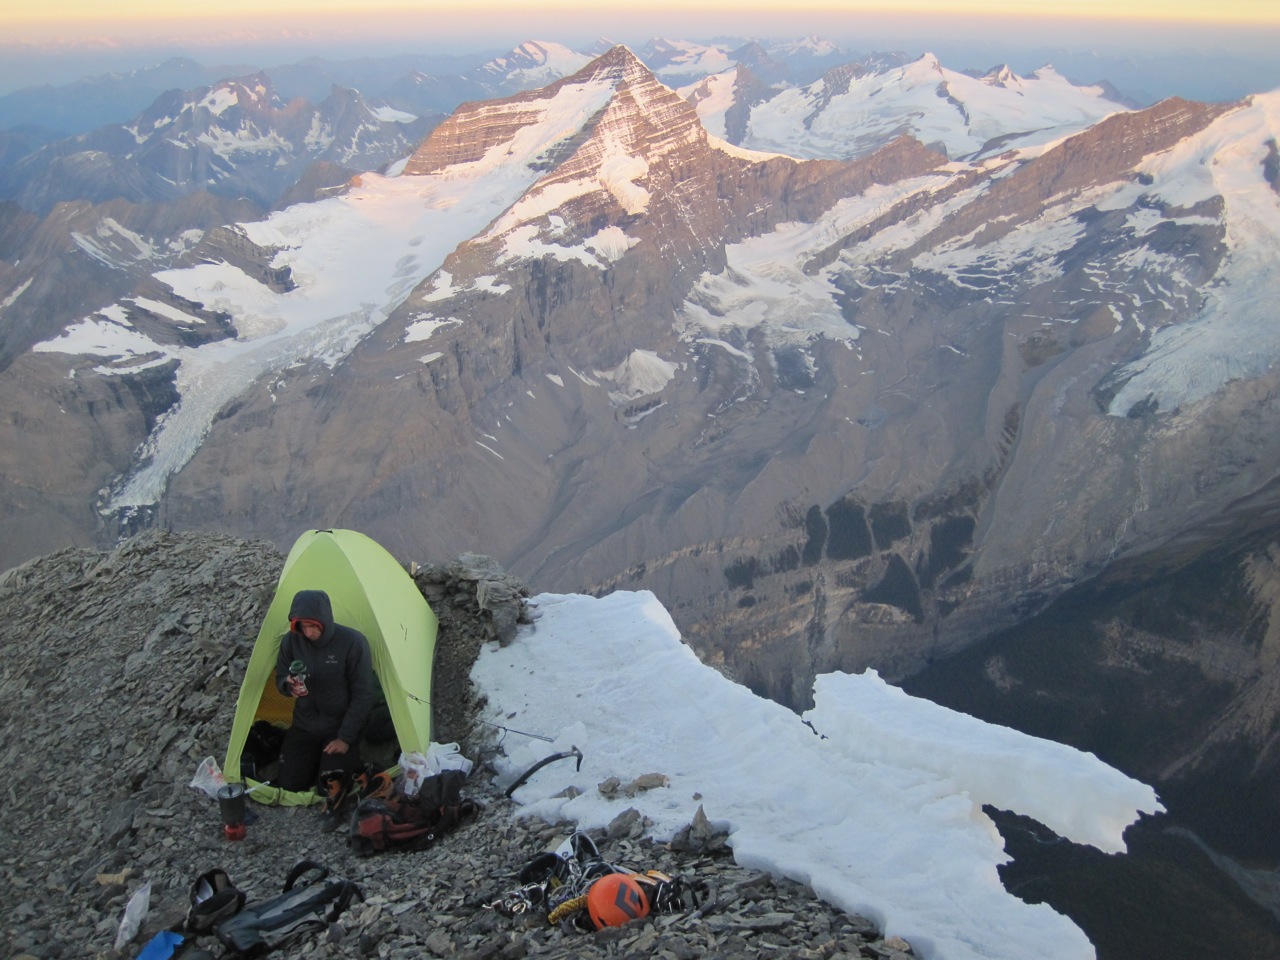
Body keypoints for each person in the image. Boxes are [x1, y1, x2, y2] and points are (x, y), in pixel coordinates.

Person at [274, 589, 374, 827]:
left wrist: (345, 738)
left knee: (327, 787)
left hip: (338, 727)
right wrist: (287, 684)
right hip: (305, 724)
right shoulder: (291, 641)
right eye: (303, 626)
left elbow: (363, 695)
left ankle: (352, 764)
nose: (308, 633)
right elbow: (280, 676)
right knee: (289, 784)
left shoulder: (352, 642)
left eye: (313, 626)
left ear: (324, 621)